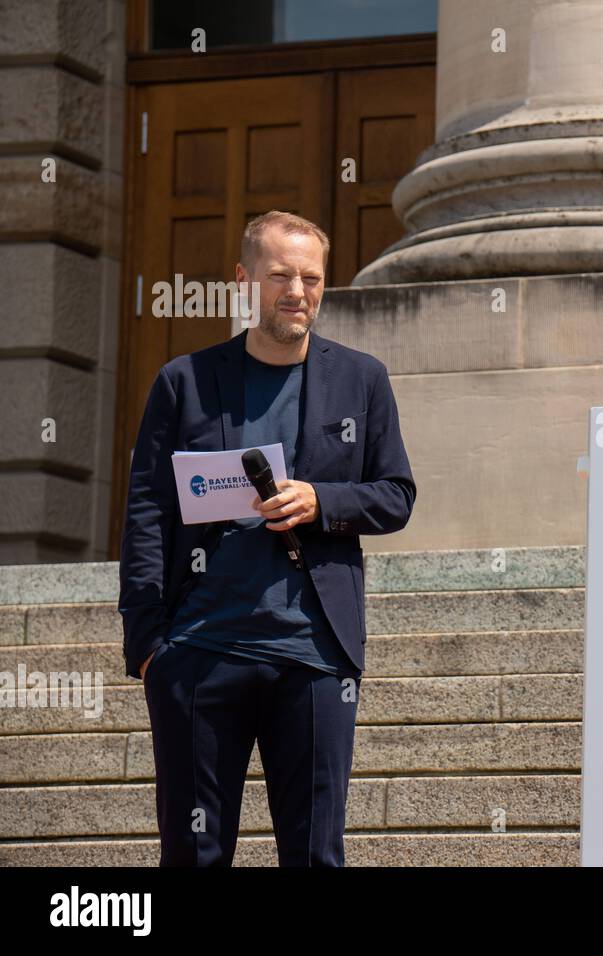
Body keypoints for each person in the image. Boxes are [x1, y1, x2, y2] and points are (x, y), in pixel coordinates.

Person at [119, 211, 416, 866]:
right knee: (194, 855)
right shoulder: (184, 381)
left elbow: (396, 496)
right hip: (198, 653)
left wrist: (322, 500)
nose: (297, 292)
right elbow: (146, 508)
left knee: (314, 856)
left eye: (311, 277)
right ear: (243, 280)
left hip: (314, 659)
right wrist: (147, 644)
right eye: (280, 275)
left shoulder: (361, 379)